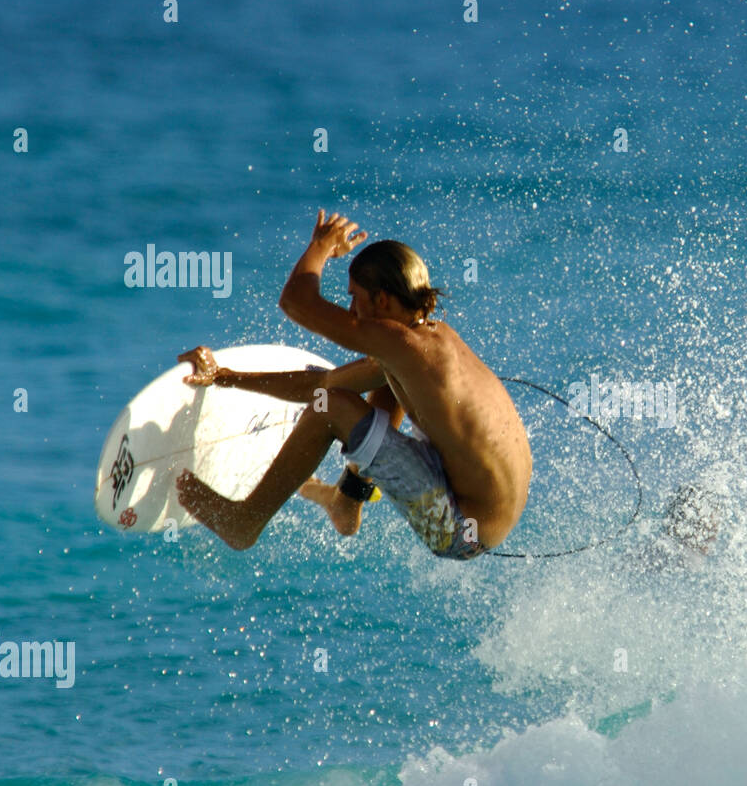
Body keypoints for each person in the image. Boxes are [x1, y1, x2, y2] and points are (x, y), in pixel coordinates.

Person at [174, 210, 533, 560]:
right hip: (478, 517)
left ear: (382, 300)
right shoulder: (422, 342)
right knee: (370, 388)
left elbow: (296, 302)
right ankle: (347, 500)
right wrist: (224, 376)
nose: (349, 310)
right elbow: (322, 383)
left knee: (332, 408)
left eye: (354, 297)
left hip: (458, 530)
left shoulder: (406, 346)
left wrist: (322, 246)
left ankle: (244, 523)